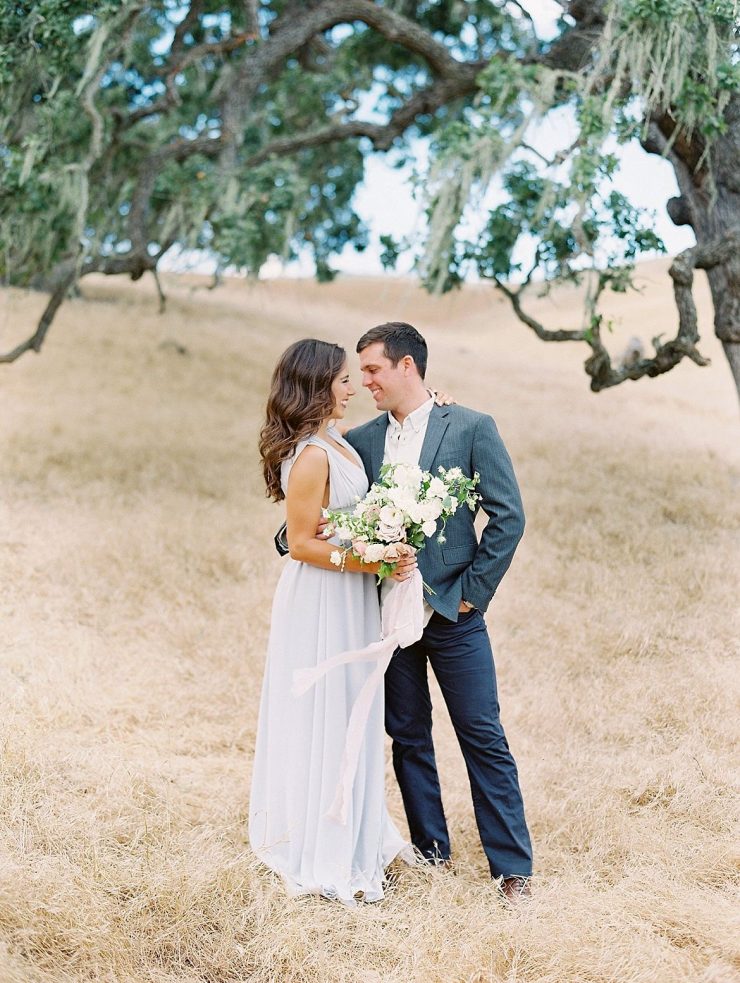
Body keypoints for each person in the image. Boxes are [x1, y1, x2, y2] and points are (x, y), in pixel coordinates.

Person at [345, 322, 533, 902]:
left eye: (373, 369)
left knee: (482, 735)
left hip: (454, 613)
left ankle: (512, 871)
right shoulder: (362, 439)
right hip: (388, 618)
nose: (365, 381)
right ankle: (432, 855)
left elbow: (508, 516)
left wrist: (472, 592)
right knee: (407, 737)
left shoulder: (471, 426)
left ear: (407, 366)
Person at [249, 338, 417, 906]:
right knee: (325, 710)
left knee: (350, 709)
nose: (353, 388)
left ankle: (350, 829)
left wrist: (432, 401)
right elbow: (299, 543)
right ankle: (320, 843)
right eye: (345, 379)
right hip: (321, 598)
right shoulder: (312, 455)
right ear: (317, 384)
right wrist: (374, 559)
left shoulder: (336, 441)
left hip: (349, 594)